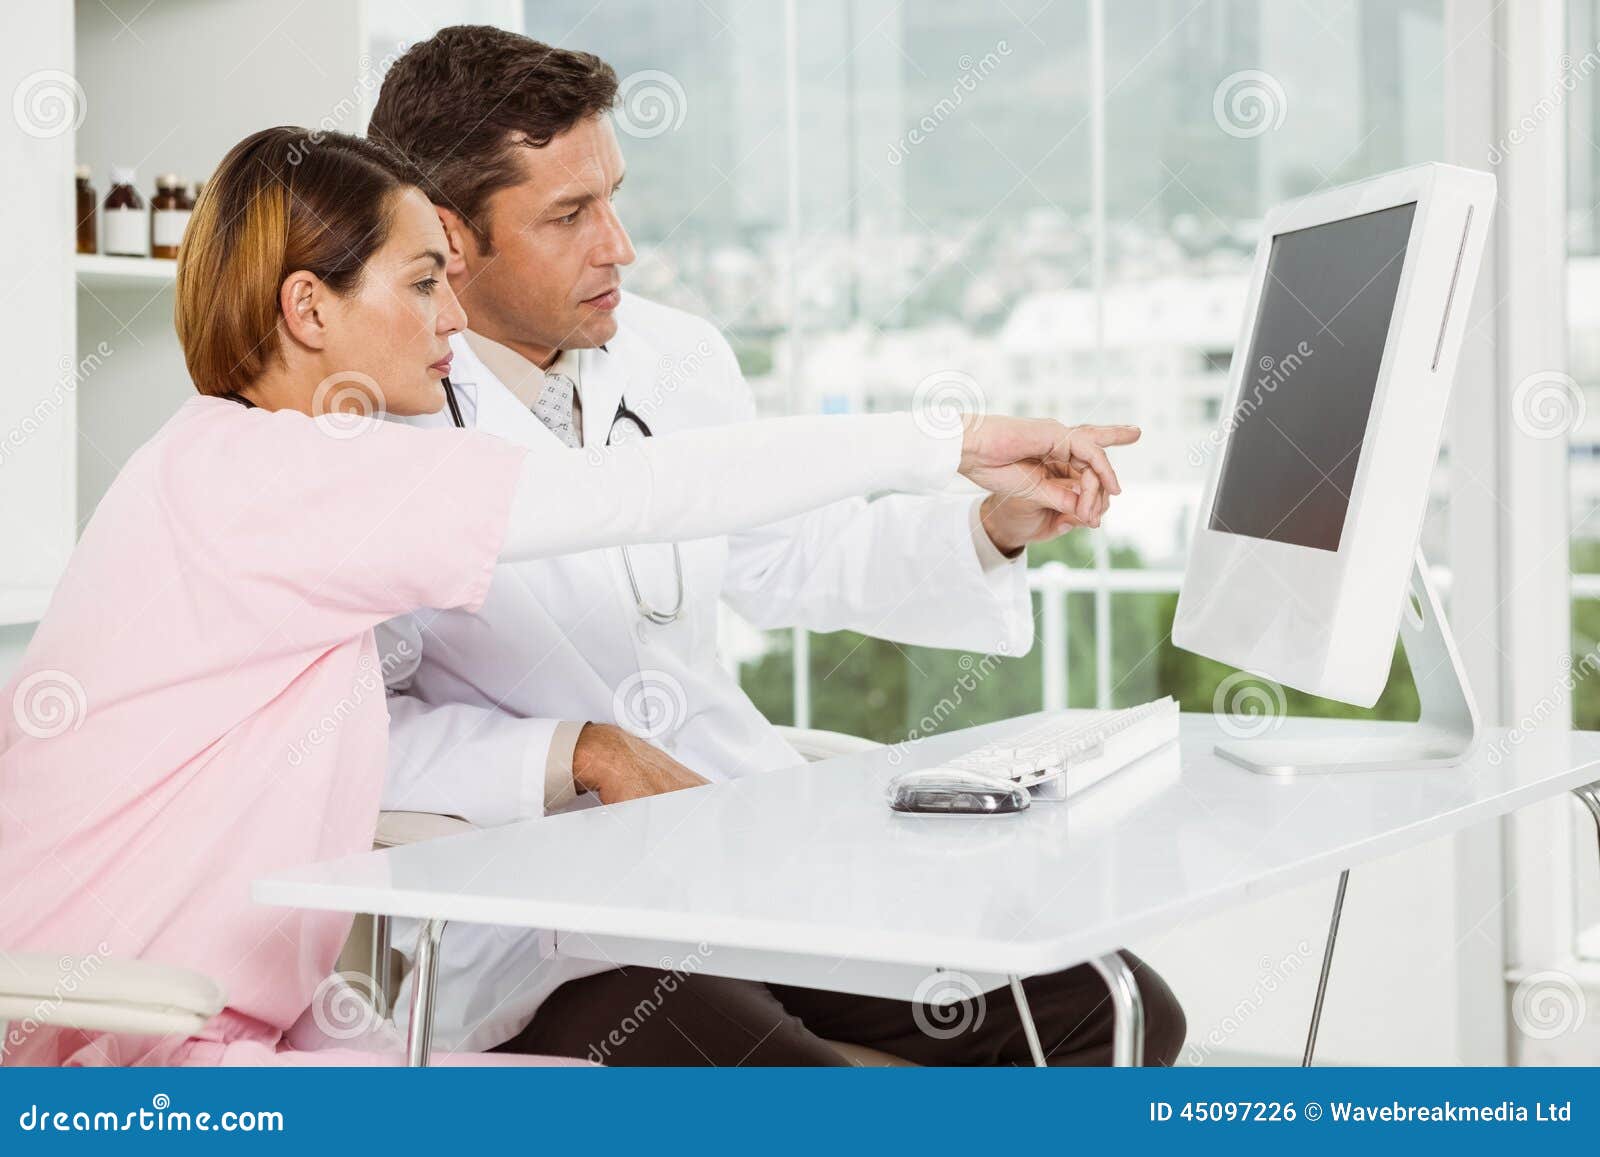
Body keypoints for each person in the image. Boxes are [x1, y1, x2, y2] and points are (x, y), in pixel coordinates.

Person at [0, 126, 1128, 1067]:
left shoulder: (239, 459)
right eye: (423, 281)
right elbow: (640, 491)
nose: (450, 318)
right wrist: (955, 434)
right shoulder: (277, 476)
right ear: (310, 309)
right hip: (122, 1049)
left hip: (230, 1028)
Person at [365, 26, 1182, 1066]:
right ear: (448, 235)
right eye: (569, 215)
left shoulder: (671, 353)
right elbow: (355, 735)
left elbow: (795, 553)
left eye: (613, 195)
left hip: (742, 846)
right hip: (556, 920)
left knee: (1111, 1010)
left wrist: (988, 526)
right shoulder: (379, 419)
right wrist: (572, 753)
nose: (618, 245)